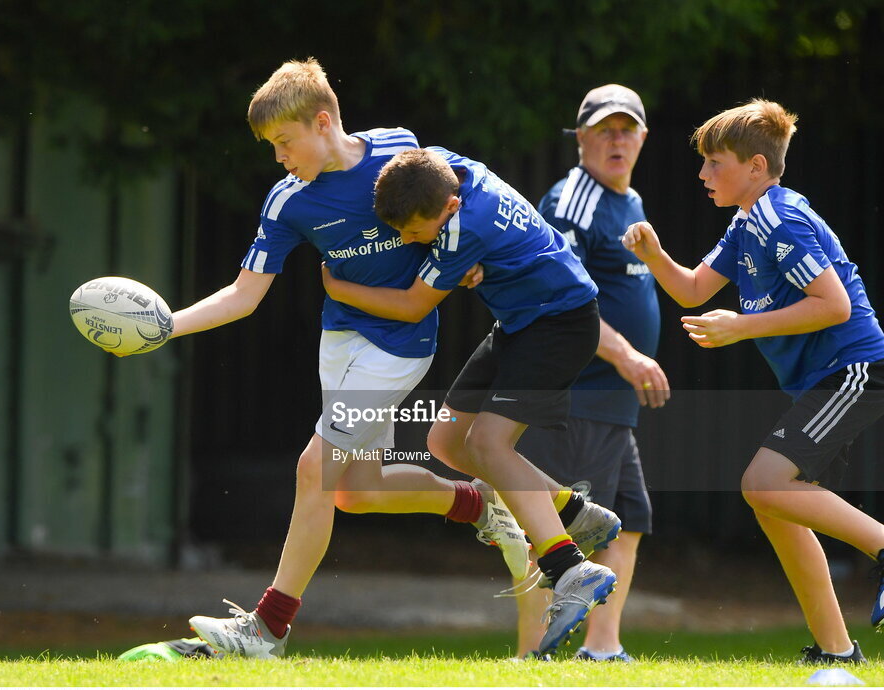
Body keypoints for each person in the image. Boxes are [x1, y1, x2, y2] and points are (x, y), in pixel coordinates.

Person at [167, 58, 536, 660]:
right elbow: (244, 294)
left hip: (398, 348)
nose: (279, 158)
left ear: (322, 122)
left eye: (284, 143)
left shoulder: (400, 150)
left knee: (314, 470)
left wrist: (467, 261)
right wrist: (168, 327)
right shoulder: (288, 202)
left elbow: (456, 211)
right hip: (339, 342)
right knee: (354, 492)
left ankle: (267, 629)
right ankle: (476, 503)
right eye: (271, 148)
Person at [322, 146, 621, 656]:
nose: (406, 241)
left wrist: (339, 288)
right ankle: (573, 511)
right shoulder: (449, 168)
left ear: (450, 209)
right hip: (519, 322)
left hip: (560, 324)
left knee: (488, 444)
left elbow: (415, 304)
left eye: (415, 232)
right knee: (446, 441)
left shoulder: (464, 229)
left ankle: (570, 568)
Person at [621, 99, 884, 664]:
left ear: (757, 168)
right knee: (774, 502)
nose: (702, 174)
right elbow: (693, 288)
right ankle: (837, 653)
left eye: (715, 163)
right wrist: (654, 254)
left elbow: (833, 306)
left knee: (763, 484)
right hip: (824, 378)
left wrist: (740, 326)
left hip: (856, 369)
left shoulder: (779, 218)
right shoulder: (747, 223)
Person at [514, 84, 668, 661]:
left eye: (627, 129)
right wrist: (628, 356)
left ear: (643, 137)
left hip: (611, 406)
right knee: (552, 532)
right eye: (604, 129)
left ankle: (602, 651)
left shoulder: (629, 201)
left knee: (624, 525)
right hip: (576, 399)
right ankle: (534, 657)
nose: (617, 140)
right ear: (579, 138)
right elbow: (561, 299)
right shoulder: (575, 198)